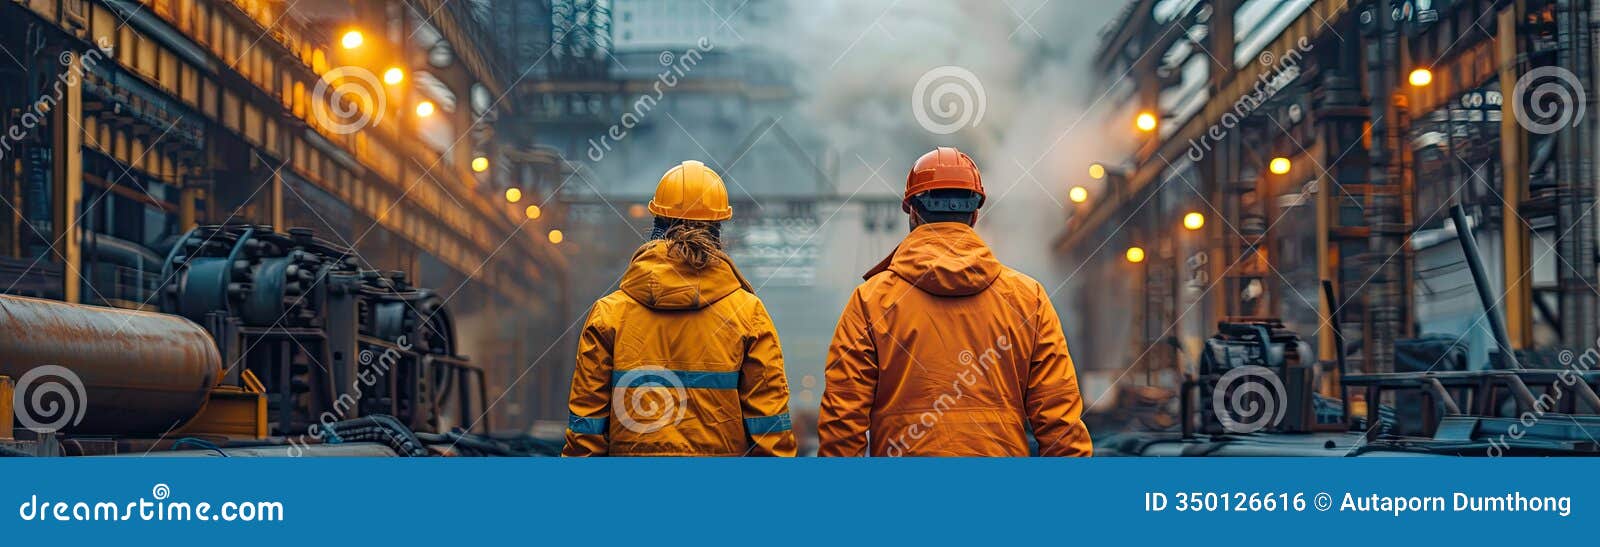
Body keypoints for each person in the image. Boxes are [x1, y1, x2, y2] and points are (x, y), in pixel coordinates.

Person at [817, 147, 1092, 457]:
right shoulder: (1028, 299)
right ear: (974, 215)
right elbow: (1062, 424)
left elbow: (842, 423)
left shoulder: (870, 301)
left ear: (913, 213)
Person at [564, 160, 796, 457]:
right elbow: (769, 427)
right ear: (718, 228)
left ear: (656, 221)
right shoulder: (748, 313)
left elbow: (586, 429)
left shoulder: (609, 314)